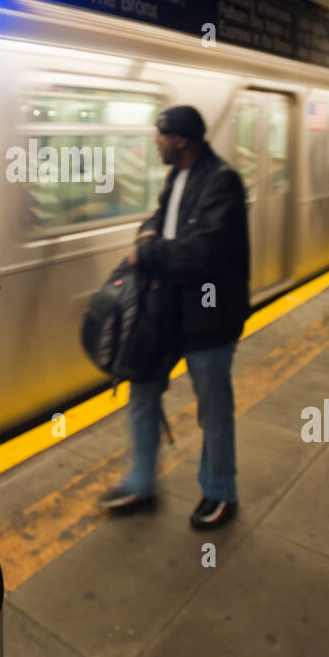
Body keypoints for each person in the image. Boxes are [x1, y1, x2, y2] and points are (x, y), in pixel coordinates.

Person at [99, 104, 250, 528]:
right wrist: (148, 228)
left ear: (180, 139)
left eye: (159, 135)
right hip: (164, 313)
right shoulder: (176, 177)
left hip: (209, 314)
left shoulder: (223, 183)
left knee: (212, 409)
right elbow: (164, 219)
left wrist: (147, 251)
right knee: (142, 395)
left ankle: (220, 491)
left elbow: (206, 252)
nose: (155, 142)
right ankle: (141, 483)